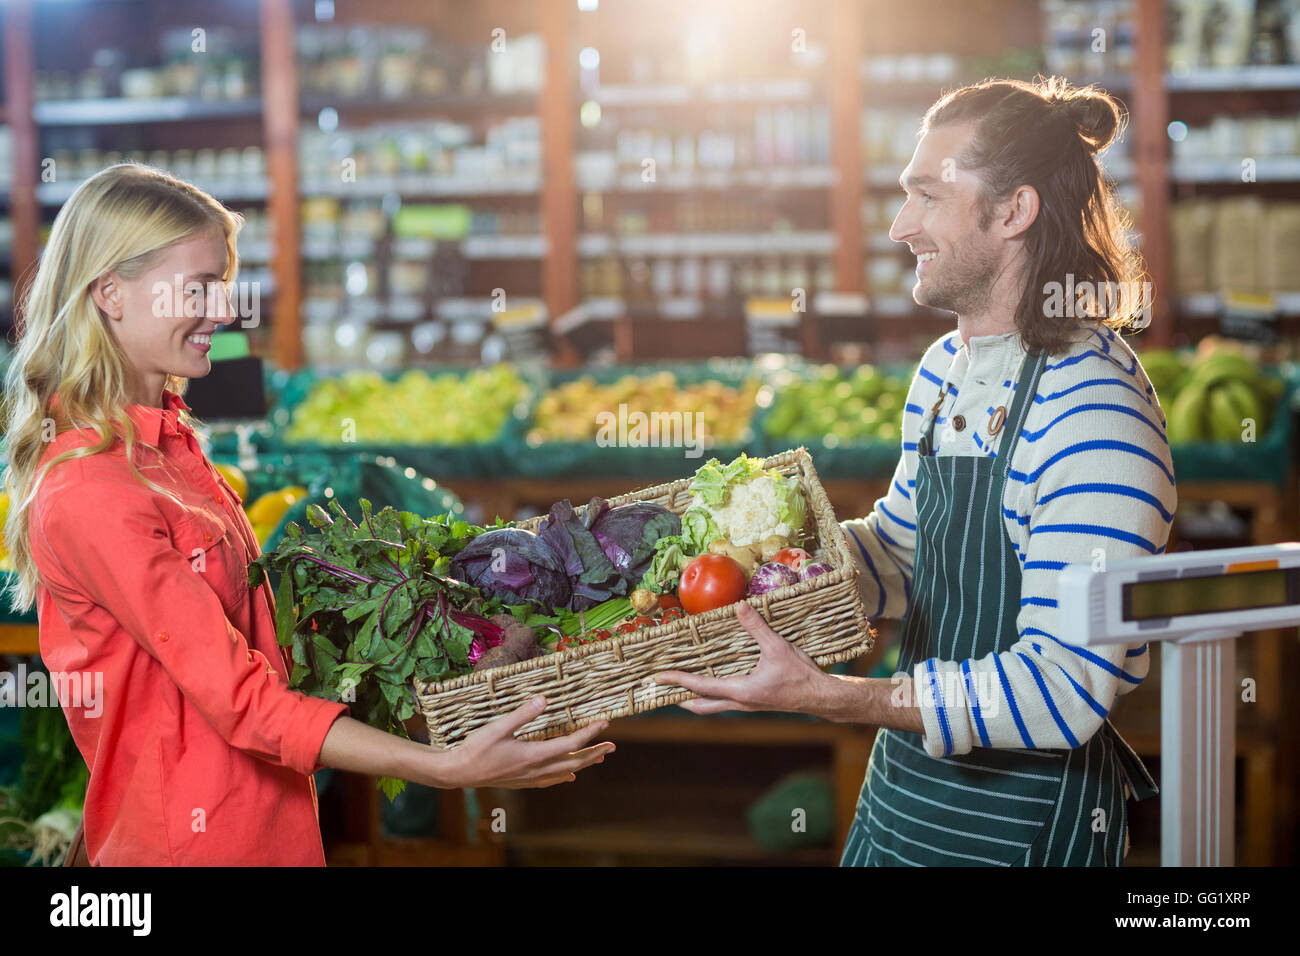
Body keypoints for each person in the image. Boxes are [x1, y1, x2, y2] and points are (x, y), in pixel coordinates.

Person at [2, 163, 613, 866]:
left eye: (222, 286)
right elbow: (241, 700)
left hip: (268, 830)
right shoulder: (93, 490)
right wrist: (448, 767)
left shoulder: (170, 443)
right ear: (109, 291)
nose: (225, 313)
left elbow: (256, 645)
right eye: (198, 287)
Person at [657, 77, 1172, 866]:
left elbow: (1064, 690)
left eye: (927, 197)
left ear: (1012, 212)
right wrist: (768, 567)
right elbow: (905, 557)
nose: (901, 227)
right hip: (905, 790)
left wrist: (835, 699)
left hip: (1024, 820)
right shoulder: (945, 369)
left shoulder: (1094, 412)